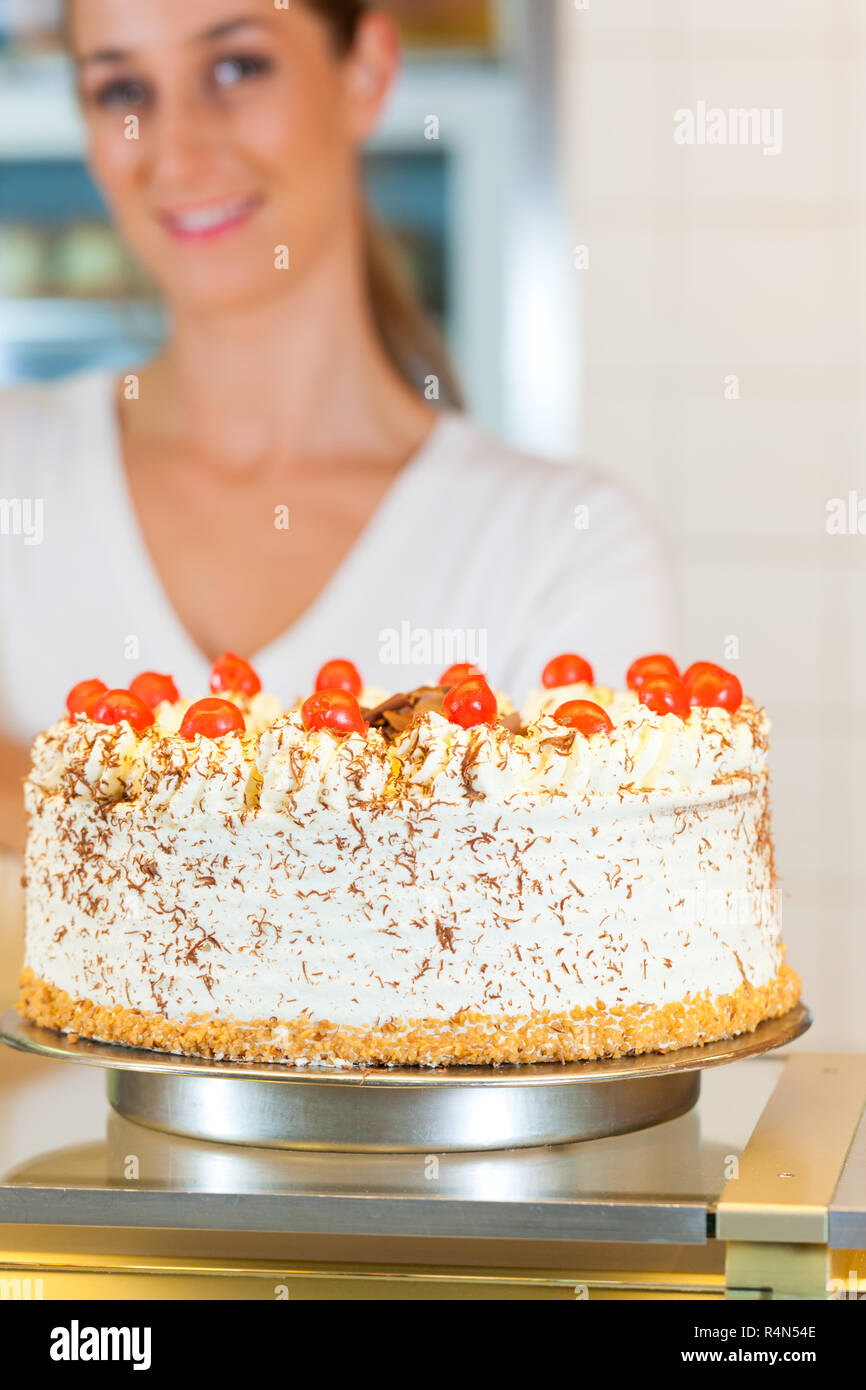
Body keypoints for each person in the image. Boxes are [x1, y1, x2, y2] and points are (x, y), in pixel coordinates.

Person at [0, 0, 673, 852]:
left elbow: (565, 923)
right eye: (122, 88)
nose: (177, 150)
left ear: (366, 74)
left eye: (237, 67)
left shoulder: (563, 544)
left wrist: (48, 793)